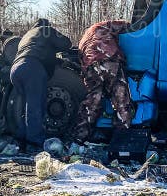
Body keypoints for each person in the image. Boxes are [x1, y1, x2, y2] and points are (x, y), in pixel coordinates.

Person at [9, 18, 71, 146]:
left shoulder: (26, 36)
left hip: (15, 69)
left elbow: (37, 50)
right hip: (32, 68)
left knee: (25, 105)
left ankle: (21, 136)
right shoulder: (46, 30)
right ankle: (35, 140)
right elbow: (66, 43)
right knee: (35, 105)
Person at [72, 20, 134, 143]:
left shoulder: (83, 39)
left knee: (93, 100)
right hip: (109, 60)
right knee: (120, 98)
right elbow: (127, 26)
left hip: (91, 66)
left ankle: (80, 136)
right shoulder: (102, 26)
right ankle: (121, 137)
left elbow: (80, 58)